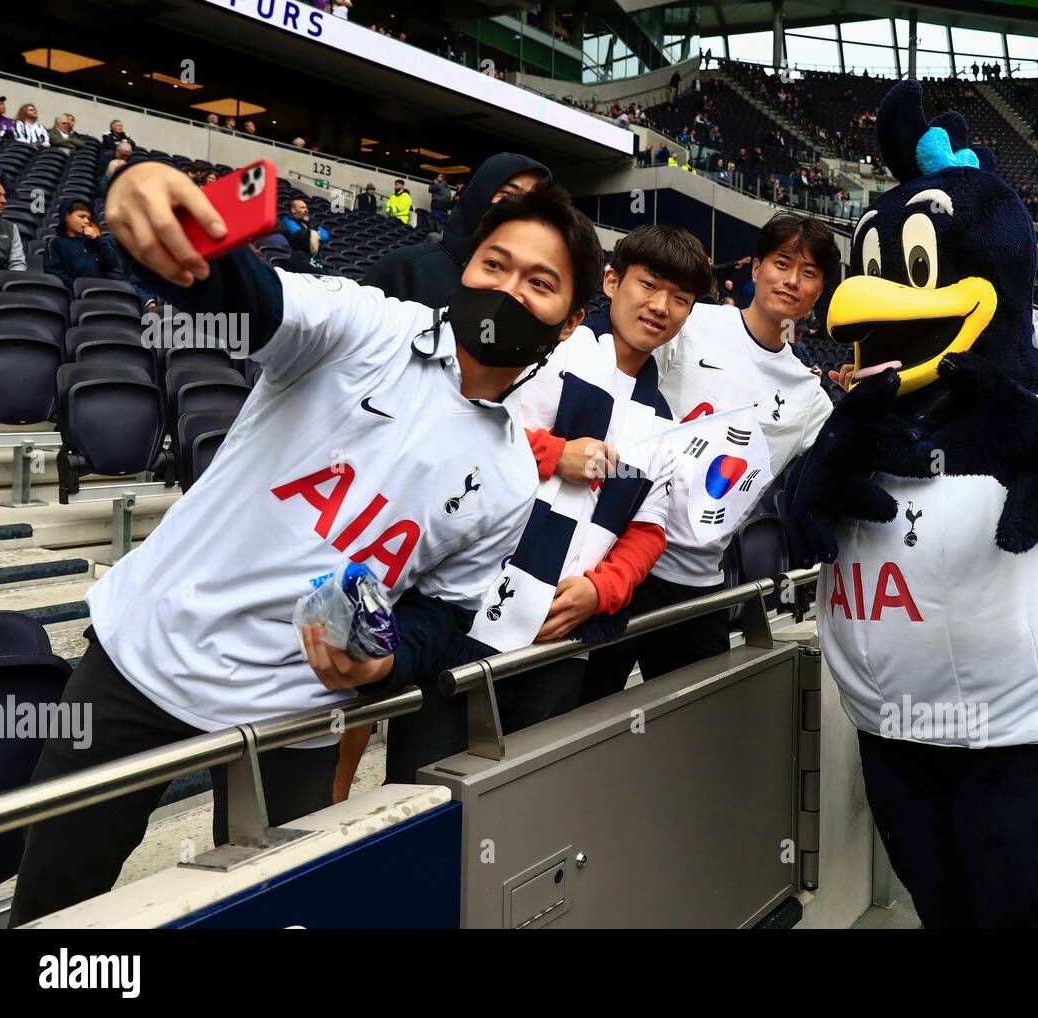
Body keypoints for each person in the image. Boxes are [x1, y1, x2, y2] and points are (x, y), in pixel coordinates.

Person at [8, 167, 601, 927]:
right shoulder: (371, 325)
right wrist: (159, 204)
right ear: (464, 270)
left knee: (275, 915)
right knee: (57, 911)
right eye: (494, 265)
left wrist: (388, 659)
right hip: (148, 657)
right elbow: (247, 299)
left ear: (569, 321)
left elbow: (444, 612)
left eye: (539, 282)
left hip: (293, 715)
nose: (508, 290)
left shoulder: (516, 471)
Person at [351, 226, 712, 793]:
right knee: (423, 792)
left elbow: (649, 528)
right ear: (613, 282)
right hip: (463, 609)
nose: (661, 307)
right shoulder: (549, 350)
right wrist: (553, 453)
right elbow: (473, 421)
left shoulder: (665, 418)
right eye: (650, 285)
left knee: (526, 797)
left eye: (682, 299)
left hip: (559, 635)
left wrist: (604, 590)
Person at [581, 213, 841, 700]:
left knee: (696, 731)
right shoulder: (691, 321)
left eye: (809, 273)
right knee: (575, 718)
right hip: (615, 559)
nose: (791, 280)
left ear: (820, 291)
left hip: (699, 583)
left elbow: (845, 468)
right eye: (781, 263)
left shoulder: (810, 397)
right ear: (756, 266)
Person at [365, 154, 549, 305]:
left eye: (532, 199)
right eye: (507, 194)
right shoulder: (405, 266)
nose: (520, 206)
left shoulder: (530, 294)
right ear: (480, 194)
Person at [42, 198, 157, 309]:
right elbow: (56, 275)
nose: (87, 221)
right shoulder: (55, 243)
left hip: (106, 293)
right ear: (67, 216)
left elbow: (113, 265)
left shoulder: (94, 242)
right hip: (79, 297)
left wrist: (97, 239)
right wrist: (81, 287)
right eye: (81, 217)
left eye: (88, 218)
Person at [277, 197, 329, 274]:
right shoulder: (287, 221)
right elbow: (298, 233)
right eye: (302, 207)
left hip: (310, 257)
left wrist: (312, 235)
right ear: (293, 210)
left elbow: (326, 235)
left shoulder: (311, 222)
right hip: (296, 255)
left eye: (306, 208)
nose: (306, 210)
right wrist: (314, 233)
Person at [0, 176, 26, 272]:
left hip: (2, 282)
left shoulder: (11, 228)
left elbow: (17, 263)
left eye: (4, 196)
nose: (3, 201)